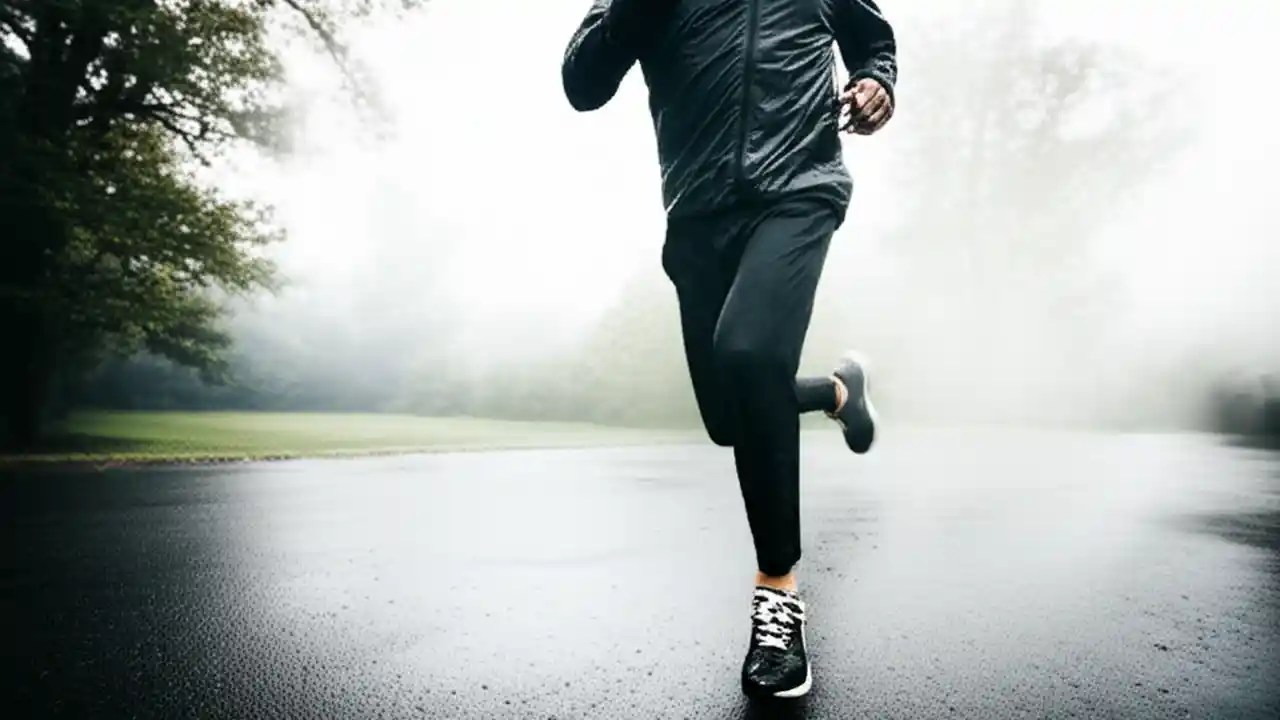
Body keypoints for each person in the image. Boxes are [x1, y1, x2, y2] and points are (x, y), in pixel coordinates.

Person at [561, 0, 897, 700]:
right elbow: (582, 84)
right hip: (697, 213)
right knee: (727, 419)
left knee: (747, 356)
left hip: (798, 190)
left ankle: (777, 599)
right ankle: (838, 391)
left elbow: (872, 39)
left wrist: (877, 83)